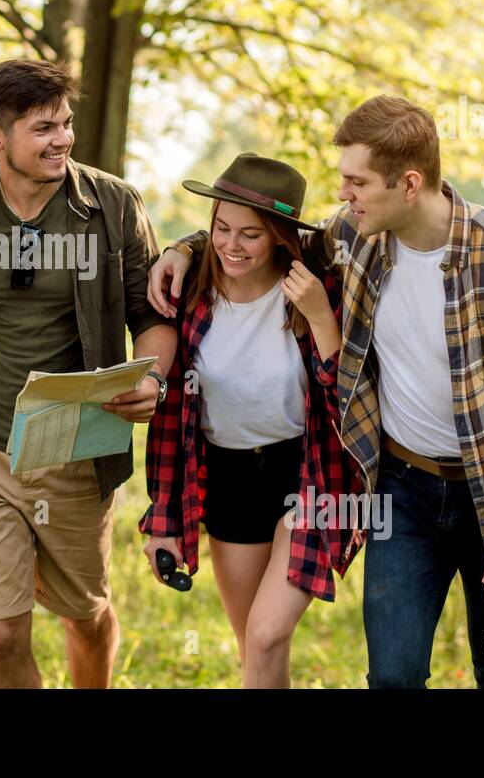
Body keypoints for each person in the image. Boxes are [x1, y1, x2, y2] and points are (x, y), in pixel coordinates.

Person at [147, 95, 484, 688]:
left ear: (408, 184)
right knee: (393, 677)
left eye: (356, 182)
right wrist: (184, 248)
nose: (343, 196)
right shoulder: (355, 239)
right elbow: (254, 240)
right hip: (401, 491)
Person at [0, 58, 177, 688]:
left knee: (83, 614)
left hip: (75, 446)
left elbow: (153, 313)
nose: (61, 138)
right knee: (3, 633)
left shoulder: (112, 205)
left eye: (64, 123)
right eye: (41, 128)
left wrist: (153, 381)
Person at [140, 154, 364, 688]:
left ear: (282, 239)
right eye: (221, 229)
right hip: (227, 478)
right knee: (256, 651)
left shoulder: (317, 288)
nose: (232, 245)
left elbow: (349, 404)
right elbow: (173, 422)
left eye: (251, 235)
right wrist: (165, 519)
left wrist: (319, 317)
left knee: (267, 634)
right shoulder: (190, 294)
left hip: (307, 476)